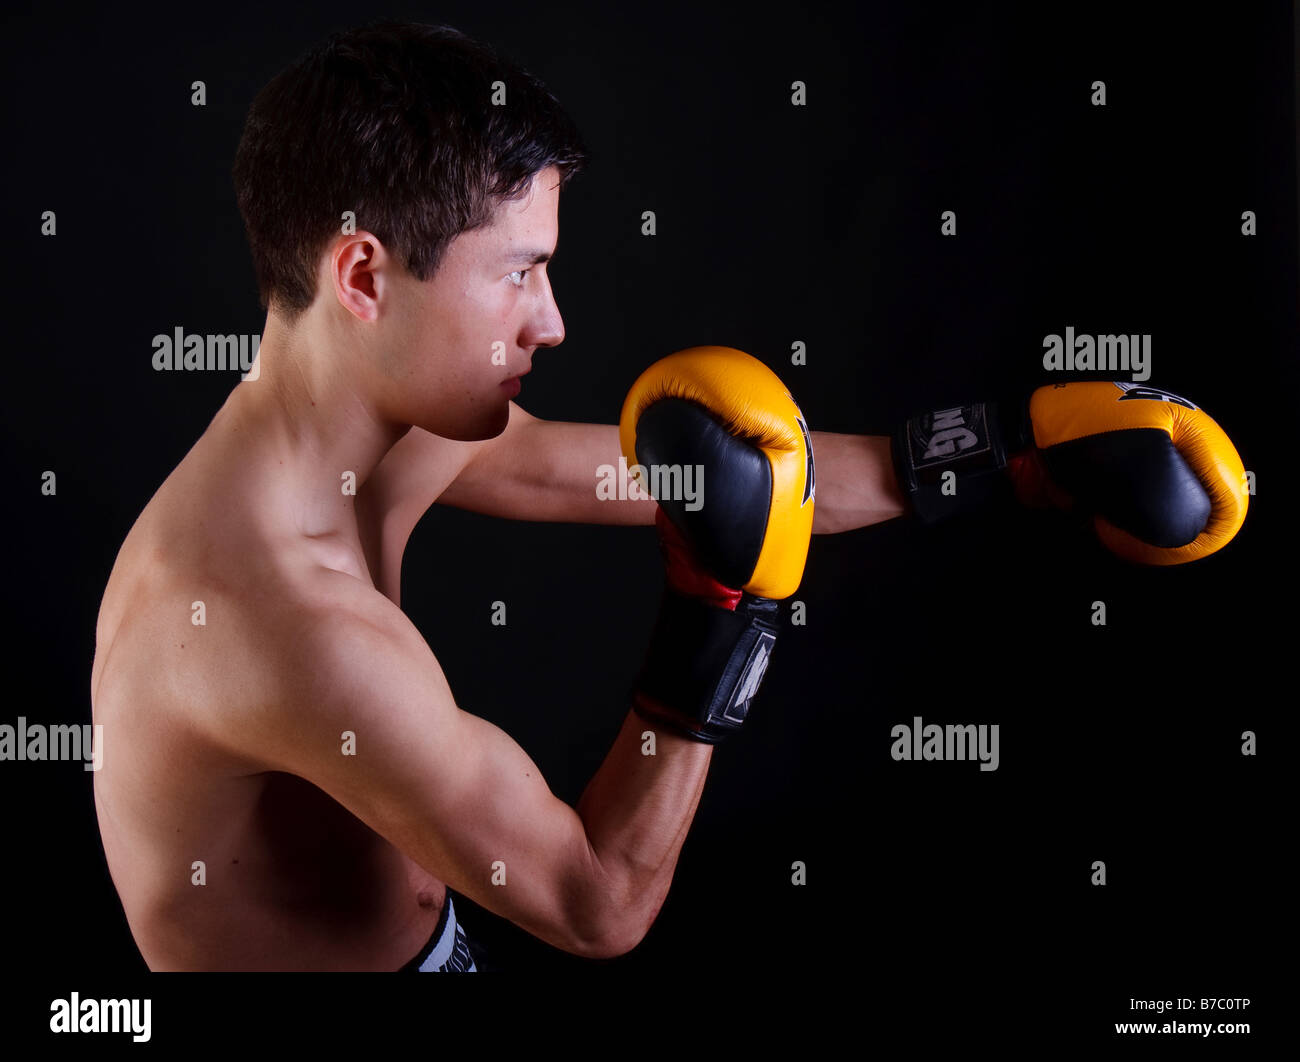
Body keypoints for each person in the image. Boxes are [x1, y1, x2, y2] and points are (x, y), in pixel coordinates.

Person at [89, 21, 904, 971]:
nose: (553, 322)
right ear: (362, 276)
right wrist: (719, 615)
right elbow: (595, 902)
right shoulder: (268, 618)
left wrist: (1007, 455)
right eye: (519, 271)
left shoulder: (377, 434)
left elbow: (702, 474)